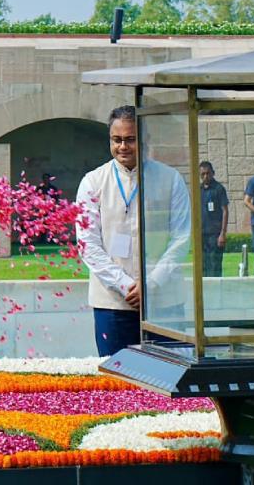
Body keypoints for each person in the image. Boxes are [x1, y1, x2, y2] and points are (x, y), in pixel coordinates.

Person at [75, 105, 191, 356]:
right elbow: (87, 243)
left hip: (164, 301)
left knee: (168, 380)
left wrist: (151, 284)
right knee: (118, 385)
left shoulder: (170, 179)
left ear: (144, 140)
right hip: (113, 302)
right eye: (116, 140)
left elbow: (182, 237)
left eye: (130, 139)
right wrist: (126, 285)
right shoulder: (93, 182)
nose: (122, 147)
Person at [198, 161, 229, 277]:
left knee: (214, 265)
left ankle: (216, 292)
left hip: (215, 234)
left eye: (208, 173)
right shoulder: (198, 190)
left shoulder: (219, 189)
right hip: (201, 234)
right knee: (203, 266)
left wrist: (222, 234)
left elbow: (225, 211)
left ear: (213, 173)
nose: (206, 176)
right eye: (203, 174)